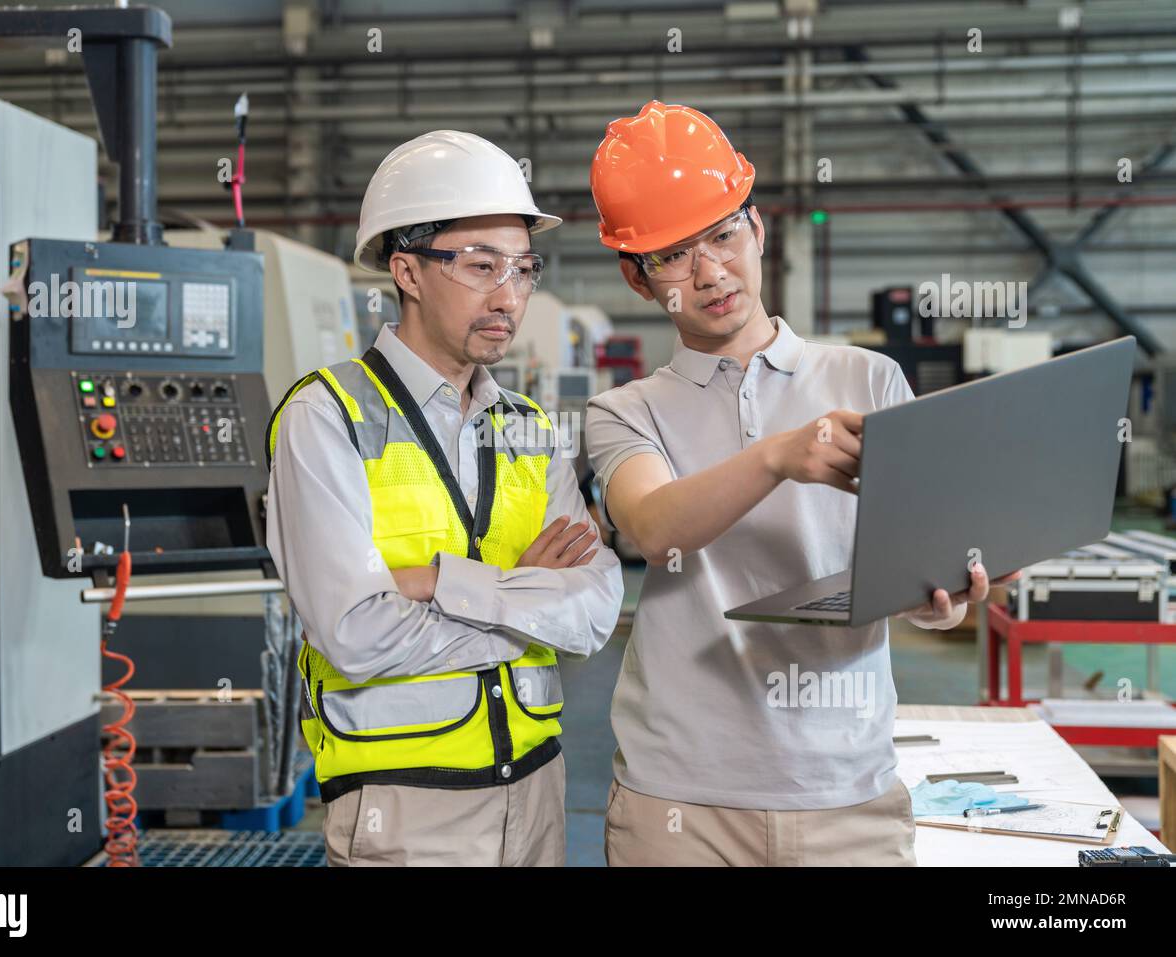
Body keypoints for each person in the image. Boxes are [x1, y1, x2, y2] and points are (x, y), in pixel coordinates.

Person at [584, 101, 1015, 866]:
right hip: (679, 802)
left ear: (758, 230)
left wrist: (941, 602)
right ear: (637, 277)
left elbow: (924, 574)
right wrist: (777, 456)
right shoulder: (625, 411)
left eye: (723, 235)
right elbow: (651, 524)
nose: (711, 273)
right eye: (675, 255)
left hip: (845, 791)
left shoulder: (868, 377)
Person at [266, 130, 624, 866]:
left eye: (524, 270)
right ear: (407, 271)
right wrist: (525, 608)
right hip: (403, 809)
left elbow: (592, 612)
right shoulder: (327, 416)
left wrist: (442, 583)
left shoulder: (529, 428)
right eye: (481, 266)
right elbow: (355, 633)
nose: (510, 296)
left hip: (537, 797)